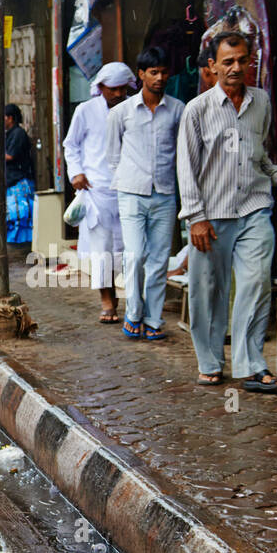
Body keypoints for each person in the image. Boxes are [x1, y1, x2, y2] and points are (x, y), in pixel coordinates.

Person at [176, 30, 277, 392]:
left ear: (251, 61)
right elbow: (186, 166)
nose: (236, 68)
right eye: (227, 62)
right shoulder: (197, 110)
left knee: (256, 284)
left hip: (254, 208)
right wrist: (196, 217)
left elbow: (261, 155)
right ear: (212, 66)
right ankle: (209, 362)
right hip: (211, 216)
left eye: (242, 60)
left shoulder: (262, 102)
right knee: (208, 291)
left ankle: (251, 364)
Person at [106, 46, 184, 341]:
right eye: (154, 72)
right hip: (131, 193)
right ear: (141, 75)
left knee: (159, 260)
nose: (160, 77)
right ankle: (134, 313)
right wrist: (126, 179)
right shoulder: (121, 112)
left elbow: (182, 153)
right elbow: (112, 155)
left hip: (165, 194)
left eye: (164, 72)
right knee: (135, 255)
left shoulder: (178, 110)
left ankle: (153, 319)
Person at [64, 61, 136, 323]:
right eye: (113, 89)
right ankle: (107, 300)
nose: (118, 94)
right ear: (101, 87)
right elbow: (70, 145)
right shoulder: (85, 110)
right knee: (102, 249)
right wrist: (76, 173)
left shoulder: (133, 109)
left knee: (128, 249)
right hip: (96, 190)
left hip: (129, 189)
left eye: (122, 89)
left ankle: (128, 299)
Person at [3, 104, 35, 246]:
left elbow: (10, 156)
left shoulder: (18, 133)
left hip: (19, 180)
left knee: (21, 214)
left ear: (10, 118)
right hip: (11, 180)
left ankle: (23, 245)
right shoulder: (8, 133)